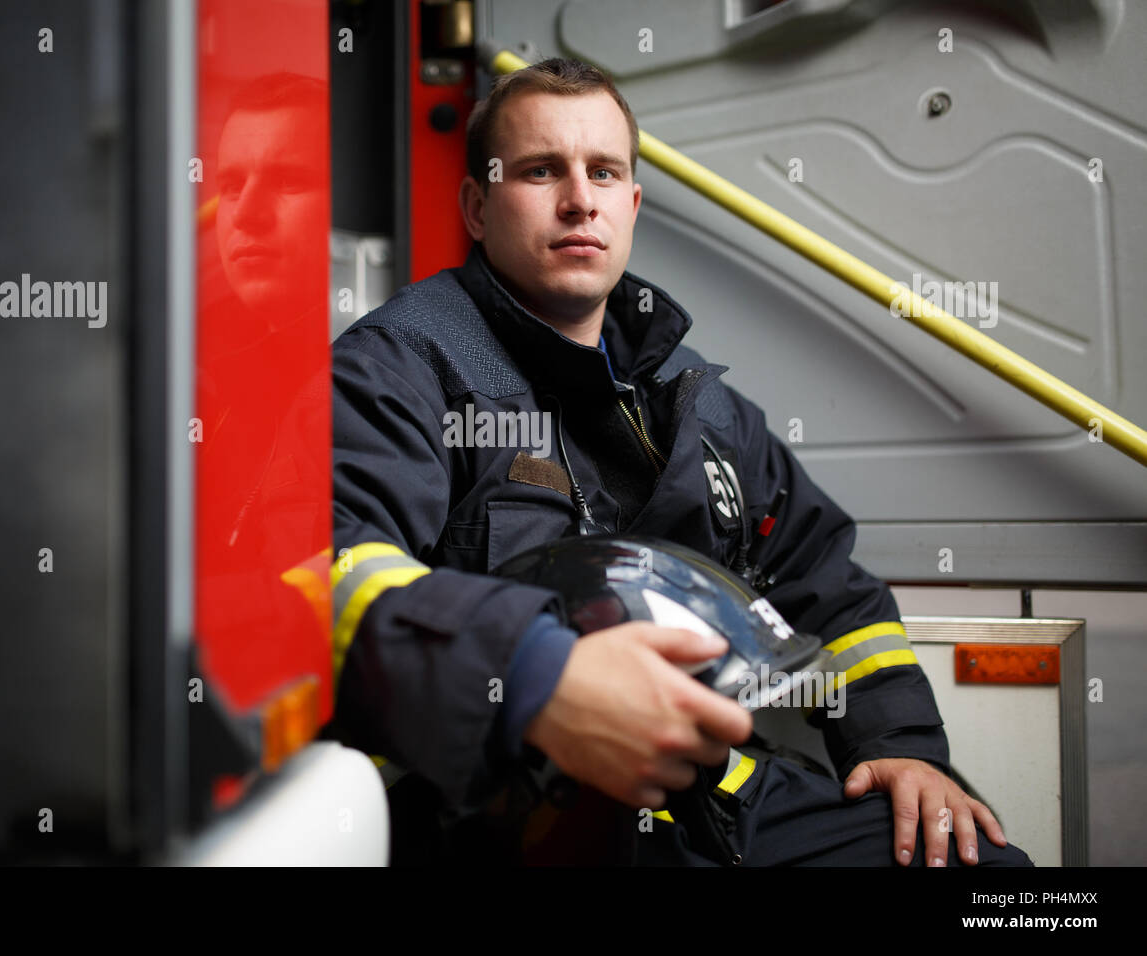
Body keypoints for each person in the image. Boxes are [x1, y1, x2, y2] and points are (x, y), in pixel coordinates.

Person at [327, 57, 1031, 866]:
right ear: (478, 208)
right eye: (539, 170)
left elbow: (825, 581)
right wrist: (534, 678)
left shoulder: (691, 397)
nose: (578, 198)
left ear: (630, 204)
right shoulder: (405, 367)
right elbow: (336, 565)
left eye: (603, 172)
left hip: (710, 795)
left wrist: (901, 745)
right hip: (508, 807)